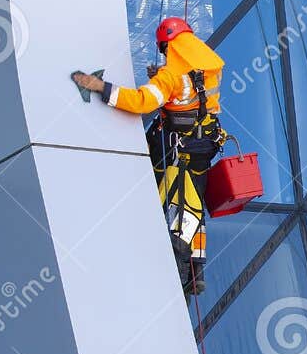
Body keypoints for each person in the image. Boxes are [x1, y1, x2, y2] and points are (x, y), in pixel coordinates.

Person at [72, 17, 225, 296]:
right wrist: (162, 79)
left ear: (169, 46)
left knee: (172, 205)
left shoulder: (170, 77)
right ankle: (195, 271)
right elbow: (193, 96)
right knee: (193, 208)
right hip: (204, 148)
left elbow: (141, 102)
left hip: (178, 150)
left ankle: (176, 269)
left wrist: (101, 88)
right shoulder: (210, 69)